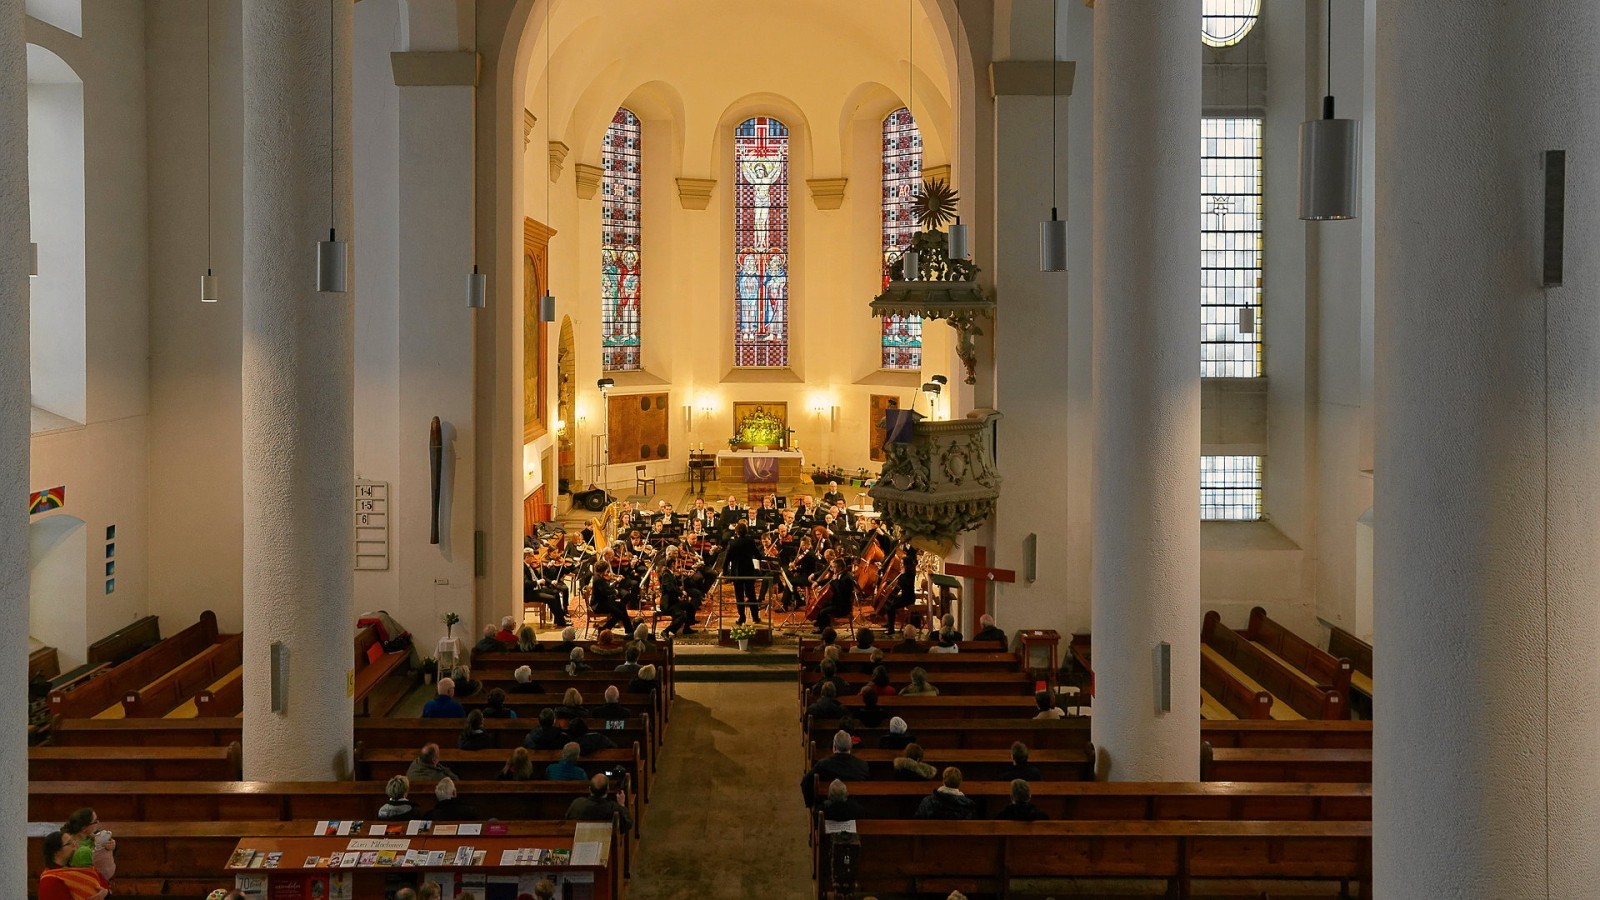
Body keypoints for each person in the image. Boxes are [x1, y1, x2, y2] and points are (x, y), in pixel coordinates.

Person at [800, 730, 870, 806]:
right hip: (855, 806)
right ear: (851, 746)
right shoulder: (863, 765)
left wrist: (811, 803)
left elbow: (806, 782)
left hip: (829, 806)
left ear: (834, 747)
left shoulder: (823, 765)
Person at [38, 831, 110, 900]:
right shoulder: (50, 880)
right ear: (56, 852)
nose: (75, 845)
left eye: (73, 841)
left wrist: (105, 893)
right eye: (69, 843)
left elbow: (104, 886)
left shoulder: (80, 866)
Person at [565, 773, 634, 833]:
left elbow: (567, 819)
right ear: (607, 790)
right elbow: (628, 823)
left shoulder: (577, 803)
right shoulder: (613, 808)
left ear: (589, 789)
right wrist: (621, 805)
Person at [61, 808, 115, 881]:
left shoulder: (95, 835)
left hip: (98, 879)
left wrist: (112, 846)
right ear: (84, 828)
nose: (98, 822)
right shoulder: (68, 843)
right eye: (95, 821)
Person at [726, 523, 763, 624]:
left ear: (736, 531)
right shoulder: (750, 541)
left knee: (739, 596)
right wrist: (763, 558)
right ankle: (755, 617)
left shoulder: (732, 543)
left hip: (737, 572)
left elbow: (727, 558)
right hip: (748, 571)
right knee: (751, 594)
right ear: (746, 531)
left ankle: (742, 617)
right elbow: (757, 555)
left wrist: (725, 573)